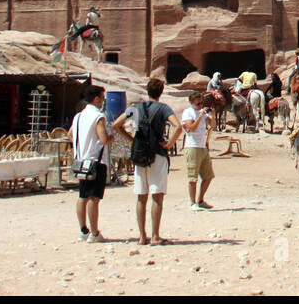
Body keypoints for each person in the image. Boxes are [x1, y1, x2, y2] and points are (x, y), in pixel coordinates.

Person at [112, 78, 182, 246]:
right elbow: (178, 126)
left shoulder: (136, 107)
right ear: (161, 92)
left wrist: (130, 139)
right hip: (157, 153)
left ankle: (142, 236)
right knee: (157, 197)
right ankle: (155, 236)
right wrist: (169, 144)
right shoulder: (163, 108)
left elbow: (116, 124)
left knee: (141, 197)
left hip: (139, 153)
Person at [72, 85, 113, 242]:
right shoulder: (98, 116)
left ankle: (84, 230)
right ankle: (95, 233)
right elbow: (104, 139)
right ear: (96, 99)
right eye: (102, 98)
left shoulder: (78, 116)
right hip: (95, 161)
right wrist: (112, 137)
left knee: (82, 195)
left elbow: (70, 135)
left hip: (81, 160)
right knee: (93, 198)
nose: (103, 101)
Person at [181, 92, 214, 210]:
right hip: (192, 146)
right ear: (192, 103)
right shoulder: (188, 112)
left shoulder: (202, 113)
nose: (200, 105)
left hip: (202, 146)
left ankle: (200, 200)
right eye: (198, 103)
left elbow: (212, 125)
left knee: (208, 175)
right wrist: (200, 117)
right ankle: (192, 202)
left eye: (201, 103)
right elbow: (192, 128)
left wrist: (212, 115)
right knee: (193, 177)